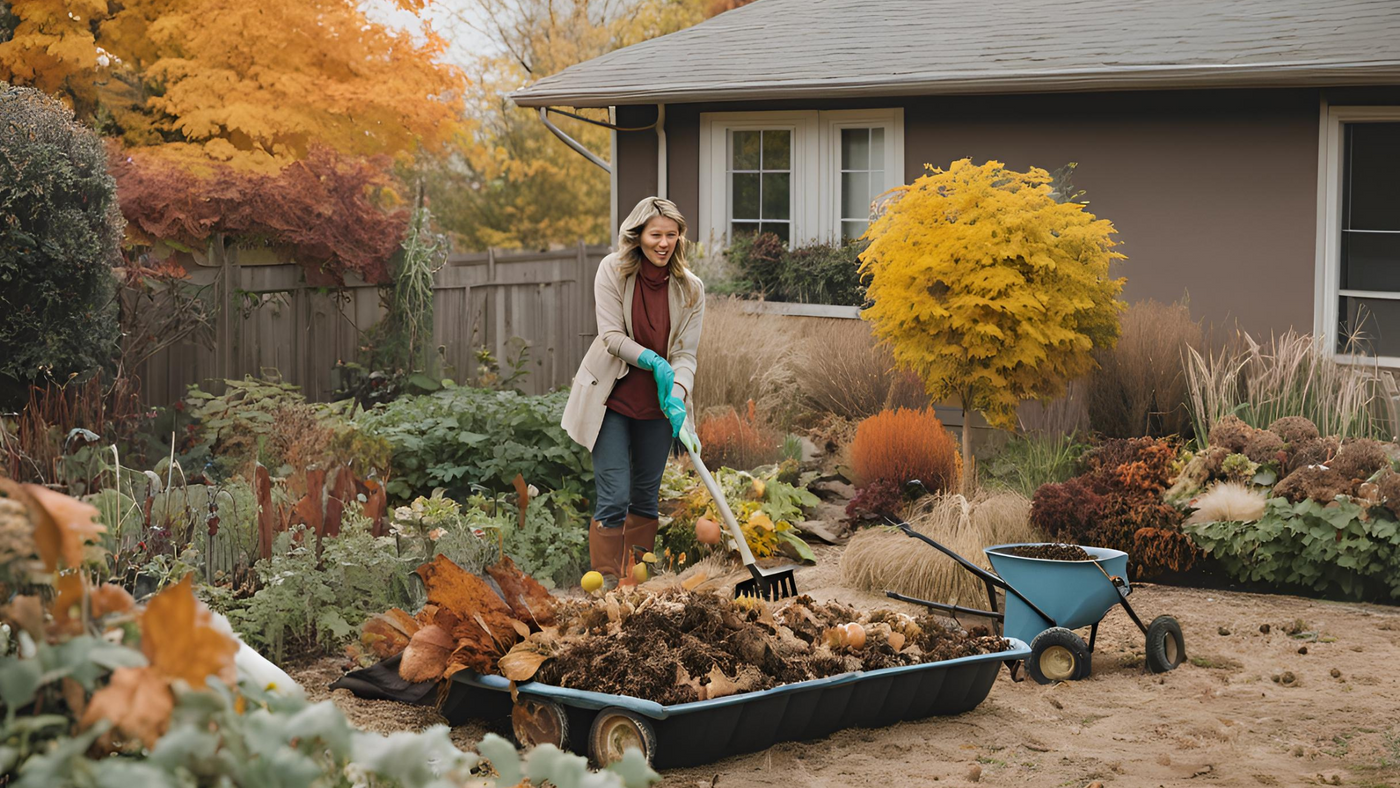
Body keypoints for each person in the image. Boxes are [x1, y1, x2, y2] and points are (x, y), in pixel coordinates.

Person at [561, 197, 705, 583]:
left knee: (645, 496)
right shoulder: (613, 270)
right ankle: (606, 583)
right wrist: (653, 361)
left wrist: (677, 392)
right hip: (612, 400)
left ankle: (635, 581)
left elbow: (685, 354)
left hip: (659, 406)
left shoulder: (691, 290)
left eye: (671, 235)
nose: (663, 243)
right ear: (638, 235)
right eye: (655, 234)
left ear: (679, 238)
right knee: (614, 495)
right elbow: (610, 336)